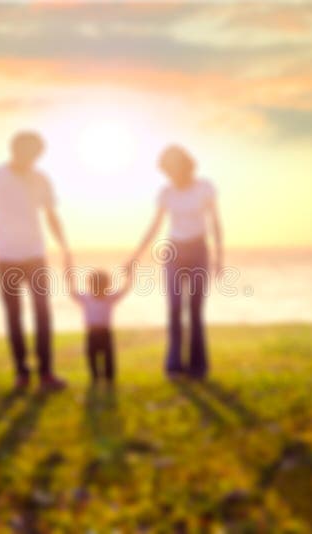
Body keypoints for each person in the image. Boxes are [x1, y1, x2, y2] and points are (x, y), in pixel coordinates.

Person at [0, 131, 71, 392]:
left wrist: (65, 247)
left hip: (35, 256)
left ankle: (46, 373)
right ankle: (21, 372)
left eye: (36, 155)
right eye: (29, 153)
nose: (33, 159)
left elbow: (51, 214)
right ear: (15, 150)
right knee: (13, 315)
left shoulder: (41, 179)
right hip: (6, 257)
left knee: (43, 313)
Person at [129, 145, 223, 380]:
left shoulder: (205, 187)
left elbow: (215, 223)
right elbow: (155, 226)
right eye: (167, 171)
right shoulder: (166, 193)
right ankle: (173, 366)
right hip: (174, 252)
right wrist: (134, 257)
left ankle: (198, 367)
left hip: (199, 250)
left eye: (173, 169)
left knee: (195, 310)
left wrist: (219, 257)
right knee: (173, 308)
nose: (171, 175)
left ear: (185, 165)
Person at [68, 267, 132, 385]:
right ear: (90, 285)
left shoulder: (109, 297)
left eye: (101, 286)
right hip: (92, 334)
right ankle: (95, 377)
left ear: (107, 286)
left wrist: (130, 274)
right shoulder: (86, 297)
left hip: (105, 333)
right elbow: (71, 291)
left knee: (108, 357)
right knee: (91, 356)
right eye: (96, 286)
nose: (99, 289)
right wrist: (69, 273)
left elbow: (126, 289)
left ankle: (109, 378)